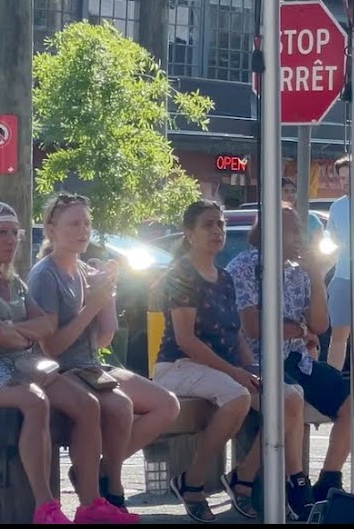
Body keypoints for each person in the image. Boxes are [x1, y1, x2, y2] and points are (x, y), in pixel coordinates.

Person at [0, 200, 137, 524]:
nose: (11, 240)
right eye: (2, 233)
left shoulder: (14, 282)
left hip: (21, 364)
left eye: (15, 233)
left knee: (88, 404)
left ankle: (91, 505)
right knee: (34, 402)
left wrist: (13, 332)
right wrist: (19, 334)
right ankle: (45, 507)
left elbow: (45, 324)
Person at [29, 193, 181, 510]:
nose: (83, 230)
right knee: (121, 407)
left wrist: (107, 294)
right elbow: (51, 346)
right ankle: (111, 487)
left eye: (87, 223)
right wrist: (92, 306)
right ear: (52, 229)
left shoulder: (84, 269)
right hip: (61, 371)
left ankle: (97, 470)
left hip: (90, 367)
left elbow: (102, 340)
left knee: (167, 405)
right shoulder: (45, 274)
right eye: (74, 223)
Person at [224, 204, 352, 516]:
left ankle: (329, 480)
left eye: (297, 230)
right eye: (288, 229)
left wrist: (315, 274)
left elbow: (321, 325)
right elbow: (253, 326)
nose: (296, 237)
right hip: (257, 361)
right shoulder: (244, 266)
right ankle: (296, 483)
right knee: (290, 400)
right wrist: (299, 328)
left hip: (296, 359)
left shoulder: (298, 273)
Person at [151, 200, 266, 523]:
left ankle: (242, 479)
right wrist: (236, 374)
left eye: (221, 224)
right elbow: (186, 340)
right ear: (189, 234)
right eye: (208, 225)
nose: (217, 231)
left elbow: (236, 333)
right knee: (238, 396)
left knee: (286, 400)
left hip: (221, 368)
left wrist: (252, 367)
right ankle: (193, 482)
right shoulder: (182, 274)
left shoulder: (225, 277)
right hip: (177, 367)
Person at [323, 155, 354, 372]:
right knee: (339, 334)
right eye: (342, 178)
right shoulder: (337, 207)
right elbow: (330, 243)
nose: (345, 182)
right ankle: (332, 380)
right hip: (343, 277)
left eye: (349, 177)